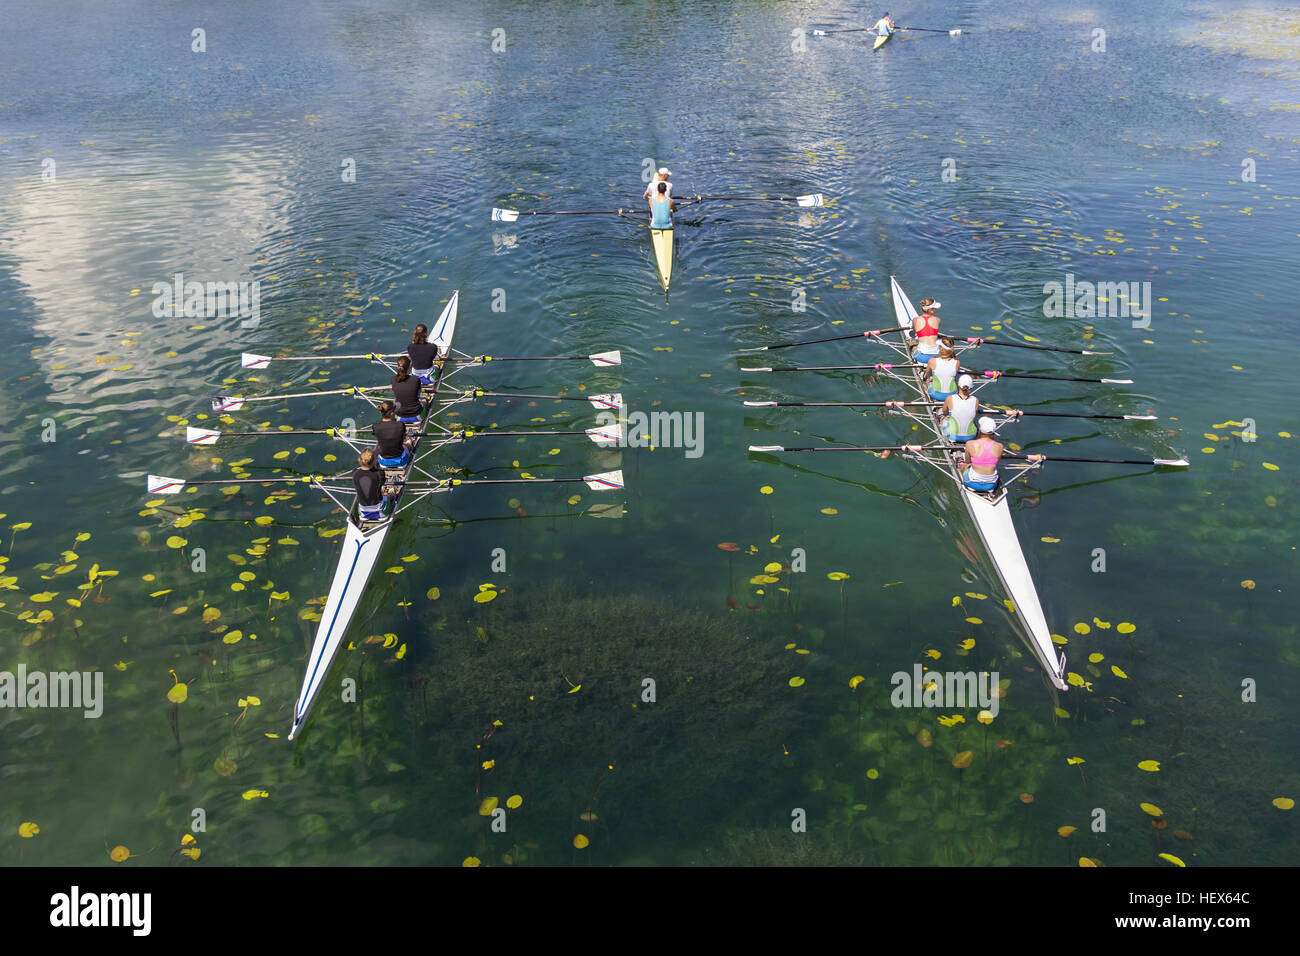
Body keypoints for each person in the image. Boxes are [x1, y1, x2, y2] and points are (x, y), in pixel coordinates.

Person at [961, 417, 1003, 492]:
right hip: (991, 485)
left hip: (971, 483)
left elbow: (967, 461)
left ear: (980, 429)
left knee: (964, 465)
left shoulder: (970, 444)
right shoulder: (1000, 446)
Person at [371, 401, 412, 469]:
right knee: (408, 443)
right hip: (401, 462)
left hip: (383, 463)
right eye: (395, 409)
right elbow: (403, 437)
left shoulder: (375, 426)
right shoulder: (400, 425)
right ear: (392, 413)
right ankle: (410, 444)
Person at [353, 448, 388, 521]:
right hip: (380, 513)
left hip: (363, 513)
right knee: (390, 493)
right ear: (374, 461)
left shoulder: (354, 473)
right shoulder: (379, 473)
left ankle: (361, 516)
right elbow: (382, 482)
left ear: (359, 459)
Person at [942, 374, 979, 442]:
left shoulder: (950, 398)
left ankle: (944, 436)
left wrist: (947, 416)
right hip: (971, 436)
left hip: (952, 435)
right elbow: (975, 414)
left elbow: (944, 412)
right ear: (970, 388)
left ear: (958, 385)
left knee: (944, 419)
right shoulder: (976, 400)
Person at [391, 356, 424, 424]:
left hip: (399, 417)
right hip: (417, 416)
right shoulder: (415, 379)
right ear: (410, 367)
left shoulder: (393, 380)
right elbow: (418, 393)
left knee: (395, 401)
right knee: (425, 400)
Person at [912, 297, 942, 366]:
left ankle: (915, 361)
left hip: (921, 357)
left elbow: (914, 330)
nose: (936, 310)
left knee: (913, 346)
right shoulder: (938, 320)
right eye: (935, 308)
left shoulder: (915, 320)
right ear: (931, 310)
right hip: (936, 356)